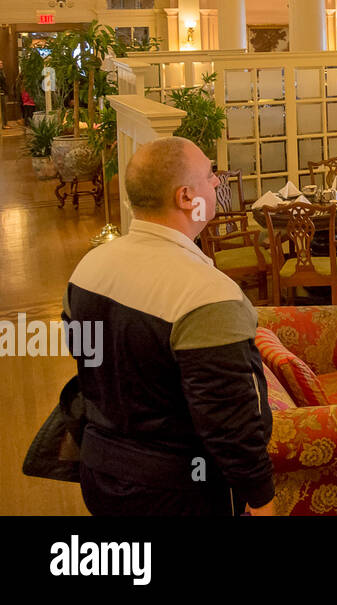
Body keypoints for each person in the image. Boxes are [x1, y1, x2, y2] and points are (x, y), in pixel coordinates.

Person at [65, 136, 275, 516]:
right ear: (184, 198)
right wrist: (261, 498)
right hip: (180, 491)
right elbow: (229, 421)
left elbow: (90, 369)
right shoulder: (206, 293)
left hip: (99, 472)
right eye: (210, 175)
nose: (217, 182)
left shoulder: (89, 267)